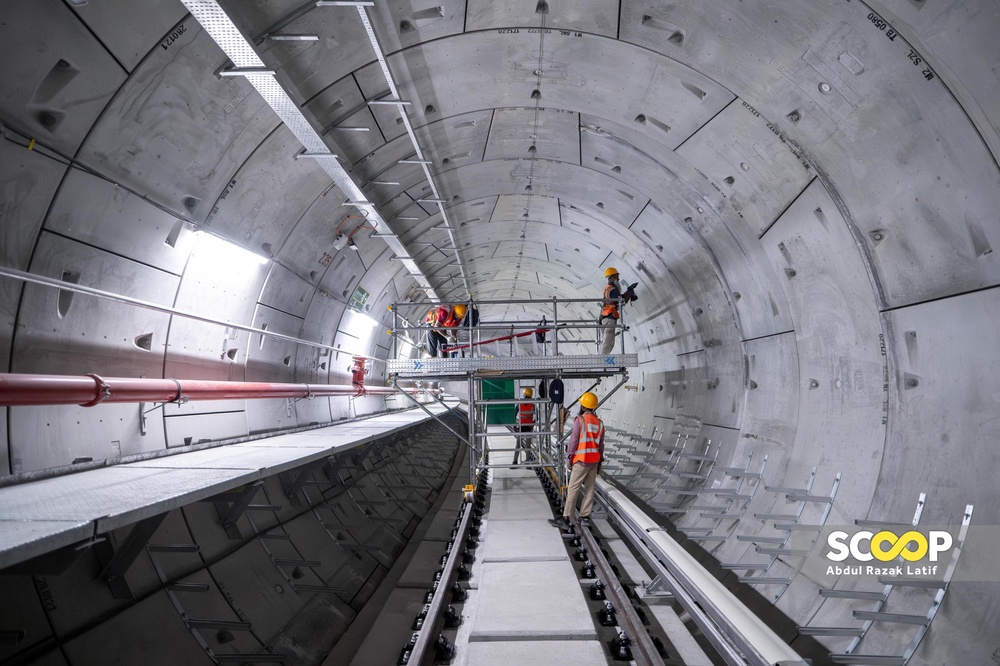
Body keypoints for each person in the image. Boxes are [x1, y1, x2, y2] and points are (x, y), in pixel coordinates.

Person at [548, 391, 605, 529]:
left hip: (581, 461)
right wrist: (599, 463)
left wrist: (569, 458)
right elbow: (601, 445)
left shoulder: (580, 420)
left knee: (573, 488)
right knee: (590, 489)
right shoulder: (600, 423)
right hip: (594, 461)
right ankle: (584, 517)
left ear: (584, 406)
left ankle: (566, 518)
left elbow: (574, 442)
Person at [598, 267, 636, 355]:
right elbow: (621, 302)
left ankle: (600, 359)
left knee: (606, 342)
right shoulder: (612, 289)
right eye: (617, 276)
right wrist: (629, 295)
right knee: (608, 343)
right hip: (609, 318)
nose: (618, 278)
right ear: (612, 276)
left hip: (605, 317)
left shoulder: (609, 288)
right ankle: (601, 362)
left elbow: (619, 298)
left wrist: (628, 291)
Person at [513, 386, 535, 466]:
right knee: (518, 444)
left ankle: (527, 462)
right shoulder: (519, 405)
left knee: (528, 445)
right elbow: (514, 416)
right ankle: (515, 461)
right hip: (521, 427)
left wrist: (532, 424)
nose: (526, 398)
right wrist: (515, 426)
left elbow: (537, 416)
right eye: (526, 396)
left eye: (528, 397)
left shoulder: (533, 406)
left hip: (529, 427)